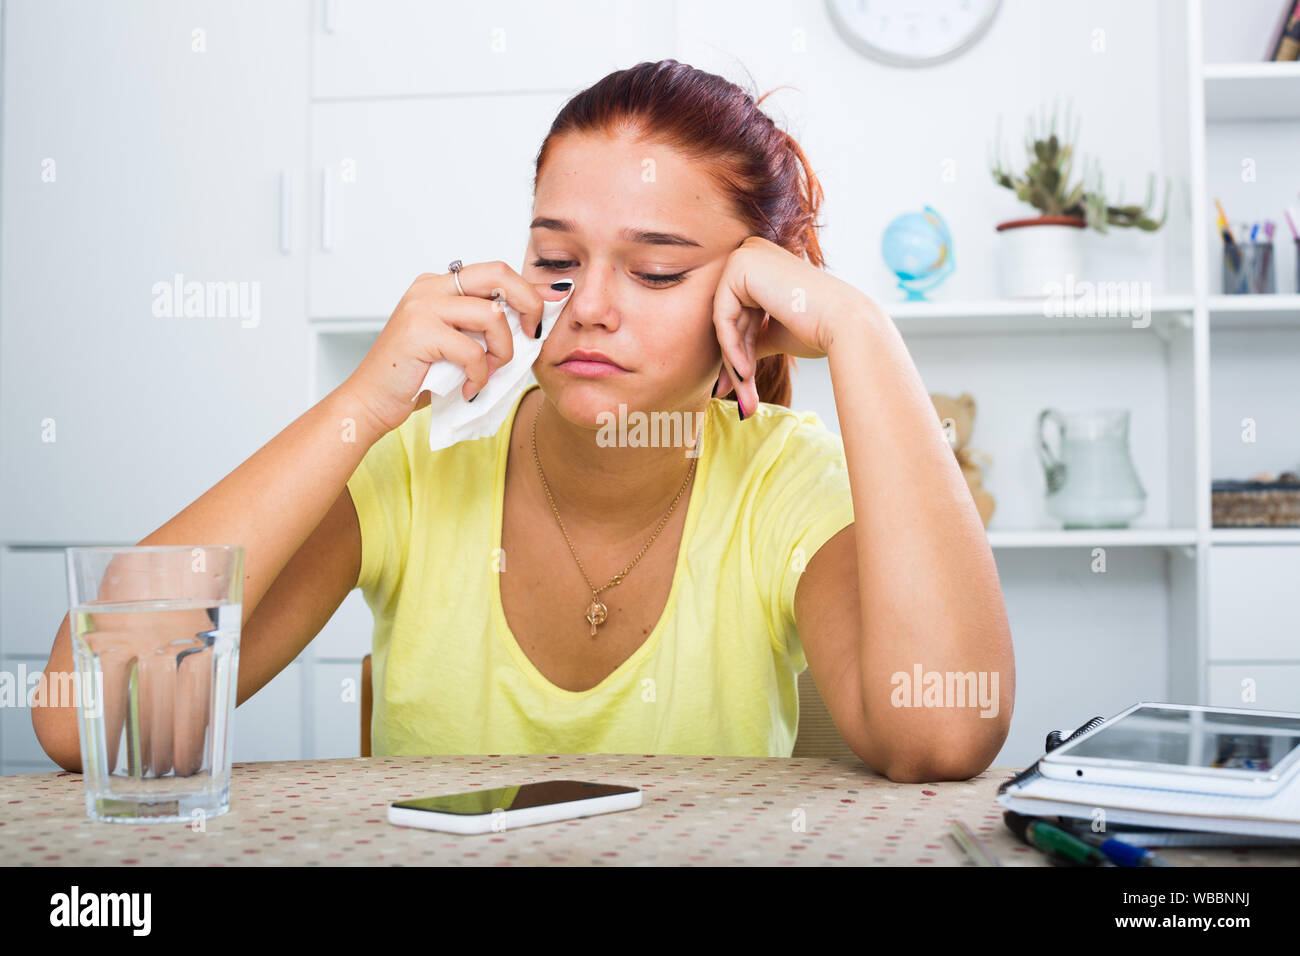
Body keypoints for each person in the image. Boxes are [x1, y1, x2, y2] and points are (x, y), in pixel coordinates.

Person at [35, 59, 1013, 782]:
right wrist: (364, 405)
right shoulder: (420, 463)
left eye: (657, 270)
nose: (589, 303)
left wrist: (856, 324)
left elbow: (942, 735)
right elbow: (89, 721)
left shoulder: (784, 481)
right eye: (557, 258)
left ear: (757, 299)